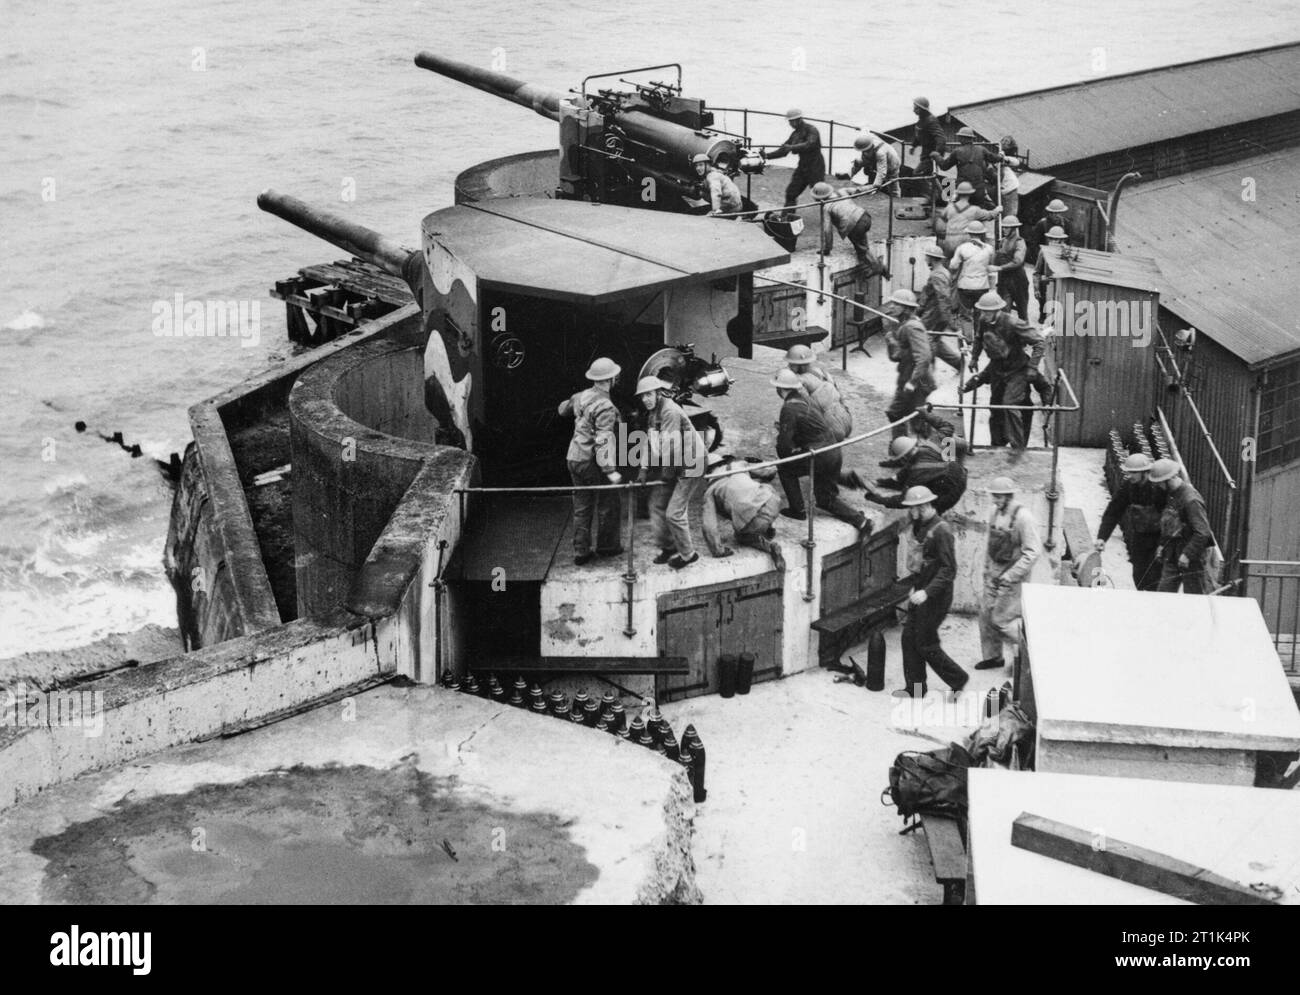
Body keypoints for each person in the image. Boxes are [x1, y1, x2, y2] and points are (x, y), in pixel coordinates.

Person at [771, 368, 870, 532]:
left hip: (818, 455)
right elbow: (811, 427)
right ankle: (860, 520)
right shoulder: (805, 399)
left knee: (785, 469)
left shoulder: (788, 408)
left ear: (780, 389)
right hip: (832, 450)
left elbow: (784, 448)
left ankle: (798, 510)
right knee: (826, 499)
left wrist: (784, 437)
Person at [893, 485, 969, 699]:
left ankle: (958, 679)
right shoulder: (920, 526)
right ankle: (916, 690)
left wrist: (926, 592)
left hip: (936, 597)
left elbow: (949, 570)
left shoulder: (941, 530)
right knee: (909, 639)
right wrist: (916, 589)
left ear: (924, 506)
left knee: (925, 643)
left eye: (913, 508)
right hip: (920, 592)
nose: (910, 512)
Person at [557, 357, 624, 565]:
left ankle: (581, 552)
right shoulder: (606, 407)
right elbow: (603, 440)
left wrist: (574, 404)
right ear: (611, 379)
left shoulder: (581, 396)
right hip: (590, 461)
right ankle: (607, 547)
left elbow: (561, 410)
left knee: (582, 507)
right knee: (609, 501)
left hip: (574, 457)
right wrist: (610, 470)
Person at [637, 375, 707, 569]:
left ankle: (688, 554)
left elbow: (670, 445)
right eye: (642, 396)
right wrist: (643, 468)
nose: (646, 399)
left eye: (649, 395)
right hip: (676, 463)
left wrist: (667, 472)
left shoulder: (669, 411)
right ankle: (669, 547)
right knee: (657, 505)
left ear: (659, 393)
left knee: (674, 512)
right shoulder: (653, 413)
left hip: (692, 462)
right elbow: (650, 443)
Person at [960, 292, 1044, 452]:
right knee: (996, 408)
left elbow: (1039, 342)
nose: (984, 314)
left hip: (1017, 370)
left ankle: (1018, 449)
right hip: (997, 369)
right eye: (982, 311)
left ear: (998, 310)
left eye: (988, 311)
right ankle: (997, 446)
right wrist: (975, 358)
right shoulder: (984, 320)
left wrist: (1033, 367)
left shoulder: (1013, 323)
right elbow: (978, 338)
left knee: (1010, 404)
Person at [974, 476, 1041, 670]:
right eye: (993, 496)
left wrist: (1011, 576)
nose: (994, 500)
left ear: (1008, 495)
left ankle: (1028, 653)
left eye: (998, 496)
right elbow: (990, 544)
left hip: (1012, 578)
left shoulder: (1023, 517)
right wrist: (987, 570)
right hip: (993, 574)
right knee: (986, 615)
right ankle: (993, 657)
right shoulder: (995, 512)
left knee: (1001, 621)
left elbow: (1033, 552)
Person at [860, 410, 969, 515]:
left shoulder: (916, 474)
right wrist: (926, 414)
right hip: (959, 471)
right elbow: (947, 426)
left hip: (953, 488)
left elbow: (903, 501)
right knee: (954, 449)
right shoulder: (933, 441)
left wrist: (878, 499)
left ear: (903, 457)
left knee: (928, 507)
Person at [700, 450, 786, 571]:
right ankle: (767, 527)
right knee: (757, 487)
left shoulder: (710, 491)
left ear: (708, 471)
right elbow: (769, 471)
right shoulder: (738, 465)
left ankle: (769, 546)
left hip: (754, 518)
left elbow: (709, 525)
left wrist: (717, 550)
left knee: (741, 536)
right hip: (773, 502)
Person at [1095, 452, 1166, 591]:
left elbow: (1170, 519)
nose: (1130, 476)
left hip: (1158, 539)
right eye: (1129, 472)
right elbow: (1113, 511)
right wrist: (1102, 537)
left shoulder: (1158, 489)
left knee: (1155, 579)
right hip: (1140, 538)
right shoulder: (1129, 487)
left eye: (1134, 473)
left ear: (1144, 472)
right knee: (1138, 576)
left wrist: (1163, 544)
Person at [1148, 458, 1213, 594]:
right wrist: (1162, 544)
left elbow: (1202, 532)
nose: (1158, 486)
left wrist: (1187, 554)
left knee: (1194, 598)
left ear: (1168, 479)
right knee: (1164, 595)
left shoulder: (1191, 499)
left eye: (1159, 483)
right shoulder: (1172, 495)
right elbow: (1170, 523)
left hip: (1192, 558)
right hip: (1172, 553)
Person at [883, 288, 934, 438]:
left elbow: (924, 357)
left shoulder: (912, 327)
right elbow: (898, 356)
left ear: (906, 308)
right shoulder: (905, 324)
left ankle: (923, 452)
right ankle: (904, 453)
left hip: (916, 382)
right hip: (908, 378)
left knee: (912, 419)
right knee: (903, 415)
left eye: (896, 304)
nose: (892, 307)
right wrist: (891, 340)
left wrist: (912, 382)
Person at [810, 183, 886, 277]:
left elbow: (827, 230)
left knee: (862, 250)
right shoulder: (842, 191)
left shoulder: (826, 207)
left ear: (819, 198)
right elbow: (859, 190)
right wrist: (873, 186)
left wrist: (827, 249)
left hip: (853, 225)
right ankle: (878, 267)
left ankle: (877, 268)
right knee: (862, 245)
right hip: (864, 216)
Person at [785, 343, 852, 441]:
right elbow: (840, 396)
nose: (789, 367)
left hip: (832, 428)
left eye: (792, 364)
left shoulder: (801, 380)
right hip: (846, 421)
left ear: (801, 365)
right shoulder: (822, 372)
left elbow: (804, 409)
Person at [764, 109, 825, 208]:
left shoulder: (812, 130)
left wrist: (792, 147)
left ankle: (831, 215)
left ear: (799, 119)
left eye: (791, 121)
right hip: (802, 167)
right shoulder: (795, 134)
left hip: (815, 167)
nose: (790, 124)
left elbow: (810, 144)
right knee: (791, 193)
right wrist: (766, 156)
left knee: (821, 195)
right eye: (789, 121)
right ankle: (786, 218)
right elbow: (783, 151)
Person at [918, 244, 964, 371]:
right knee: (935, 342)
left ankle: (926, 374)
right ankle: (958, 363)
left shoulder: (937, 276)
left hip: (934, 315)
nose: (925, 259)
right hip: (937, 314)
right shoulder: (943, 272)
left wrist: (950, 323)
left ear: (931, 258)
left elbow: (943, 299)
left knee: (925, 342)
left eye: (926, 256)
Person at [932, 126, 1002, 207]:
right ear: (972, 139)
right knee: (978, 210)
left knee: (961, 210)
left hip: (963, 189)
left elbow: (944, 166)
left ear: (962, 138)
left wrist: (936, 156)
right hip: (978, 189)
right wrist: (1001, 156)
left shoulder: (957, 151)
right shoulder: (981, 149)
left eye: (959, 137)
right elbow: (995, 159)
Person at [935, 181, 1001, 258]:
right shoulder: (974, 210)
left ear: (958, 194)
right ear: (970, 194)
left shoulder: (949, 208)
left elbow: (939, 227)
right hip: (964, 243)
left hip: (949, 242)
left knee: (951, 265)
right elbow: (990, 215)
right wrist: (997, 210)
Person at [950, 219, 996, 321]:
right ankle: (978, 336)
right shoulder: (989, 249)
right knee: (980, 314)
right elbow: (991, 265)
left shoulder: (962, 248)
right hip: (982, 286)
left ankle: (967, 336)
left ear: (969, 234)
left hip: (965, 286)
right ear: (982, 233)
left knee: (965, 316)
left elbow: (953, 266)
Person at [835, 131, 900, 194]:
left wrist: (876, 185)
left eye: (865, 151)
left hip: (891, 163)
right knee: (858, 161)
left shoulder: (880, 153)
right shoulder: (868, 146)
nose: (863, 153)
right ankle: (848, 175)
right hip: (874, 157)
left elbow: (881, 171)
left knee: (892, 181)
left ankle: (895, 196)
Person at [910, 96, 947, 206]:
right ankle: (941, 198)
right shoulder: (921, 121)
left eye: (915, 108)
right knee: (931, 175)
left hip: (931, 155)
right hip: (925, 153)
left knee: (917, 174)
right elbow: (919, 135)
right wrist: (914, 146)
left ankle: (931, 198)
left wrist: (937, 153)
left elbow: (941, 138)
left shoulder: (931, 120)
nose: (913, 110)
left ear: (921, 109)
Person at [992, 215, 1029, 321]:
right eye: (1003, 227)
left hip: (1018, 280)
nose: (1004, 229)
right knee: (1004, 312)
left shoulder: (1019, 242)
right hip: (1004, 281)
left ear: (1014, 229)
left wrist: (1000, 268)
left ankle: (1025, 335)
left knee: (1022, 313)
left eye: (1007, 227)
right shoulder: (1002, 241)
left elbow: (1017, 261)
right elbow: (996, 260)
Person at [1033, 225, 1069, 316]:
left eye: (1057, 240)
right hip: (1046, 284)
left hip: (1060, 284)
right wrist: (1036, 288)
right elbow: (1037, 272)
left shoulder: (1065, 253)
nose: (1054, 242)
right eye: (1052, 239)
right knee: (1044, 313)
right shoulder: (1043, 252)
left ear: (1062, 241)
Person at [692, 152, 743, 216]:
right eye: (696, 166)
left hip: (731, 207)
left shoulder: (712, 176)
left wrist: (715, 210)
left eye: (701, 165)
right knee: (702, 192)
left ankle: (719, 209)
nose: (698, 168)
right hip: (732, 203)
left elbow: (716, 193)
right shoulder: (712, 173)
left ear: (708, 165)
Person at [997, 136, 1025, 220]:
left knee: (1010, 215)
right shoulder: (996, 153)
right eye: (1003, 140)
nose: (1004, 143)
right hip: (1000, 189)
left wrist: (1003, 158)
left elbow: (1015, 162)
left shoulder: (1009, 159)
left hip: (1009, 188)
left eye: (1007, 142)